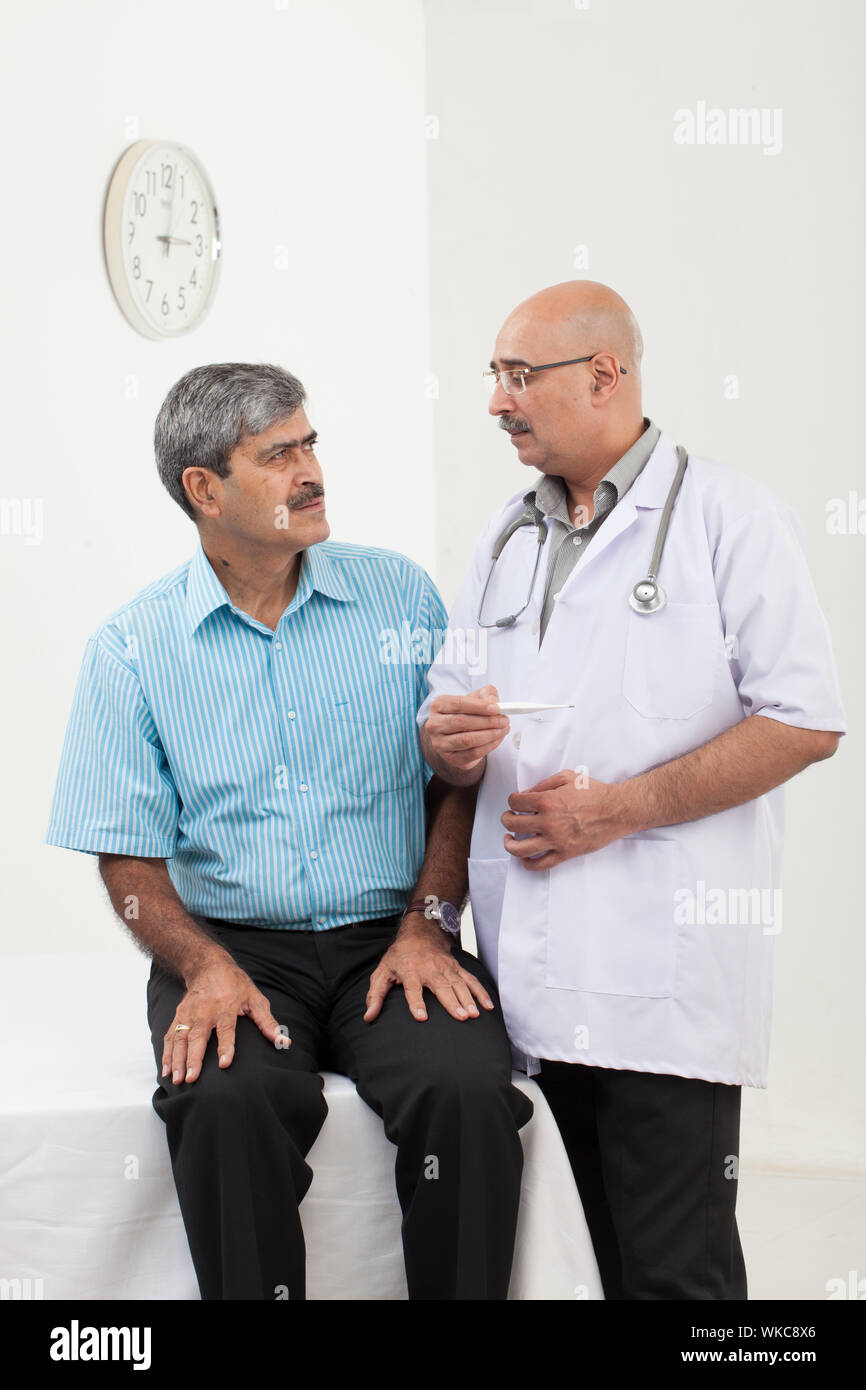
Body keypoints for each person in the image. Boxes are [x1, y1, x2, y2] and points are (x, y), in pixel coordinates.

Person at [46, 361, 533, 1301]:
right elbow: (127, 856)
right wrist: (202, 965)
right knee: (225, 1102)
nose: (311, 471)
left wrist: (431, 923)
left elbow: (454, 782)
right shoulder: (132, 649)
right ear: (204, 489)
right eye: (277, 455)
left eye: (310, 444)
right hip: (234, 947)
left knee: (468, 1096)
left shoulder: (400, 600)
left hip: (391, 939)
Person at [417, 281, 846, 1300]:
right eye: (492, 376)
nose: (494, 400)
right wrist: (447, 738)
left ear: (603, 375)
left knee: (676, 1276)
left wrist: (619, 809)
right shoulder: (503, 538)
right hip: (527, 975)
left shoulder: (729, 519)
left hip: (661, 981)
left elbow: (804, 720)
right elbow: (448, 727)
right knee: (573, 1268)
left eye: (518, 376)